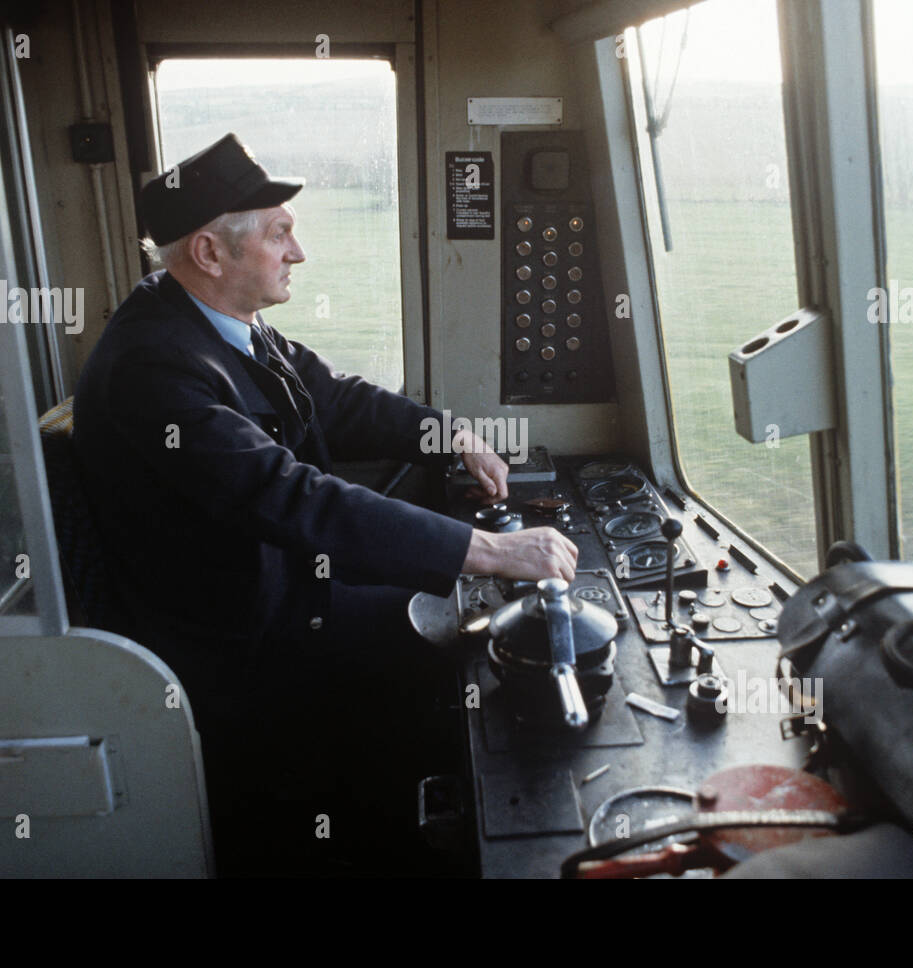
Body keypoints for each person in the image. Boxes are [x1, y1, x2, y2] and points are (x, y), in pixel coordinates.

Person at [73, 133, 576, 872]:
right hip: (238, 635)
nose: (297, 253)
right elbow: (287, 495)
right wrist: (492, 550)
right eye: (280, 234)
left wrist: (453, 435)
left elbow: (332, 398)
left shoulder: (217, 321)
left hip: (284, 585)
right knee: (462, 641)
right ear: (210, 253)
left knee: (454, 611)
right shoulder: (153, 367)